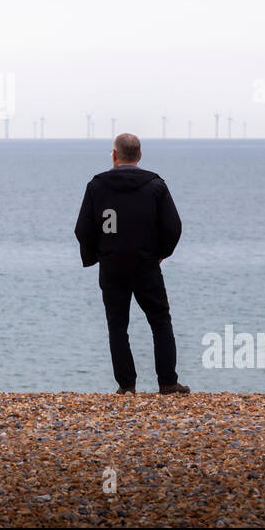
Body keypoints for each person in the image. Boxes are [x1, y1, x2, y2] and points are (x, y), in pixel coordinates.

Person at [74, 133, 188, 395]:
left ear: (114, 155)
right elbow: (174, 226)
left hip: (112, 264)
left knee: (117, 325)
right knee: (160, 321)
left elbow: (83, 229)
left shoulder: (96, 186)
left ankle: (126, 386)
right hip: (146, 264)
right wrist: (161, 254)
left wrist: (96, 255)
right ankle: (168, 383)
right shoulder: (156, 186)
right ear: (140, 155)